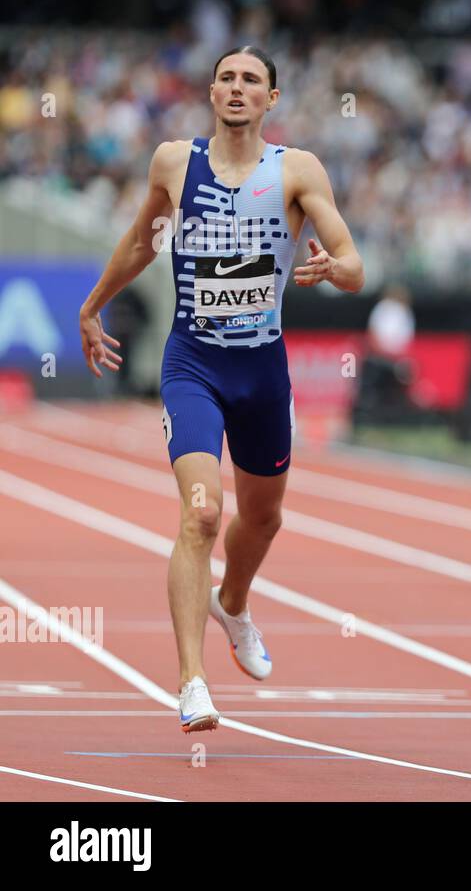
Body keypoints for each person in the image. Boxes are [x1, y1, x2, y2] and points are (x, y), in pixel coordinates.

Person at [79, 45, 364, 732]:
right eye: (227, 78)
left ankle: (232, 602)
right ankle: (192, 682)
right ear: (211, 91)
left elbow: (354, 264)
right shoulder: (175, 162)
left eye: (252, 81)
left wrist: (332, 269)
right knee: (202, 514)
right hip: (194, 366)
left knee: (262, 519)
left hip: (263, 372)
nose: (237, 88)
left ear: (272, 99)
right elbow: (143, 241)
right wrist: (92, 306)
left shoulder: (297, 170)